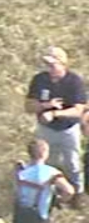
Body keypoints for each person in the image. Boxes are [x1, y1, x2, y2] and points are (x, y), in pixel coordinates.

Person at [25, 46, 86, 193]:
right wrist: (44, 106)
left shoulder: (74, 81)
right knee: (48, 163)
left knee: (72, 164)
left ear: (63, 64)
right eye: (46, 64)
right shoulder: (39, 80)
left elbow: (78, 110)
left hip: (68, 130)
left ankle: (77, 193)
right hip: (45, 130)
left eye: (52, 65)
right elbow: (28, 106)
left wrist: (54, 114)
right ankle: (50, 193)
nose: (48, 68)